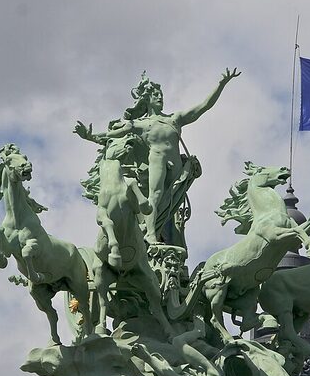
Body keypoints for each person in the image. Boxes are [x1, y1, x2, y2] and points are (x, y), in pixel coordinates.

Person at [75, 68, 240, 244]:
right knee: (155, 195)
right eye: (156, 95)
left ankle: (155, 229)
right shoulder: (140, 124)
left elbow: (203, 107)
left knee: (170, 199)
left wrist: (221, 84)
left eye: (161, 95)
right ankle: (151, 233)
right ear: (147, 100)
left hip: (176, 164)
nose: (160, 98)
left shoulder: (174, 119)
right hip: (157, 160)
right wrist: (90, 137)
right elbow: (112, 135)